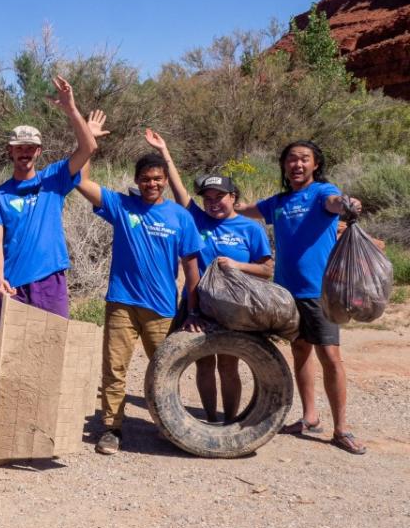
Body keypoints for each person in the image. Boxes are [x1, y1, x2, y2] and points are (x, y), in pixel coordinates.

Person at [72, 135, 204, 456]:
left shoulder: (180, 217)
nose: (152, 184)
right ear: (136, 181)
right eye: (145, 179)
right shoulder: (122, 206)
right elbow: (81, 181)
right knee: (114, 369)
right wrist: (86, 139)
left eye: (157, 179)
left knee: (165, 370)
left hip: (162, 308)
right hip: (121, 303)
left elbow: (191, 269)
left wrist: (195, 310)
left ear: (165, 182)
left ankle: (168, 425)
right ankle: (111, 428)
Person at [236, 141, 366, 455]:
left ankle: (341, 429)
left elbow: (336, 202)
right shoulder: (278, 202)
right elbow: (243, 211)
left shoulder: (322, 192)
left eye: (304, 159)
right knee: (300, 351)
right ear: (284, 166)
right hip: (286, 292)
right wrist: (216, 205)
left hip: (318, 293)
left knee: (331, 358)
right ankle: (309, 417)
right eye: (291, 160)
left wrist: (348, 203)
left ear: (315, 164)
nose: (297, 165)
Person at [147, 129, 273, 424]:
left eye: (220, 197)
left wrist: (237, 266)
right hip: (198, 305)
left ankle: (230, 421)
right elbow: (178, 190)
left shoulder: (250, 229)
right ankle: (211, 420)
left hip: (233, 306)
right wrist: (165, 152)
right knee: (203, 365)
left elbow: (267, 270)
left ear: (234, 197)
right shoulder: (197, 218)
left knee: (228, 366)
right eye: (208, 197)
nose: (213, 202)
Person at [0, 76, 98, 319]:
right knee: (13, 354)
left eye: (30, 148)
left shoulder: (54, 178)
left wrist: (71, 109)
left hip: (50, 279)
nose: (25, 153)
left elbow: (88, 148)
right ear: (9, 151)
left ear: (39, 151)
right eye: (19, 147)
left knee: (51, 348)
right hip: (13, 284)